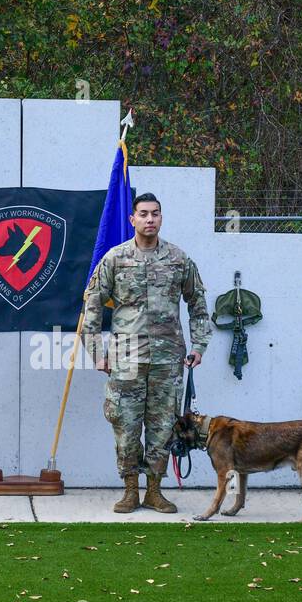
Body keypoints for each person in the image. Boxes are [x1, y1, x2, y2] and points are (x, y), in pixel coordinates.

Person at [82, 192, 212, 513]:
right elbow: (93, 304)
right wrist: (96, 351)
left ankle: (154, 490)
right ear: (133, 219)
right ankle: (130, 490)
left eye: (155, 214)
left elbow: (197, 303)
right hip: (126, 357)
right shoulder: (115, 258)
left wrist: (199, 345)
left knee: (162, 425)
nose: (149, 219)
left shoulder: (179, 260)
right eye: (143, 214)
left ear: (161, 218)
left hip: (168, 360)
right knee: (125, 425)